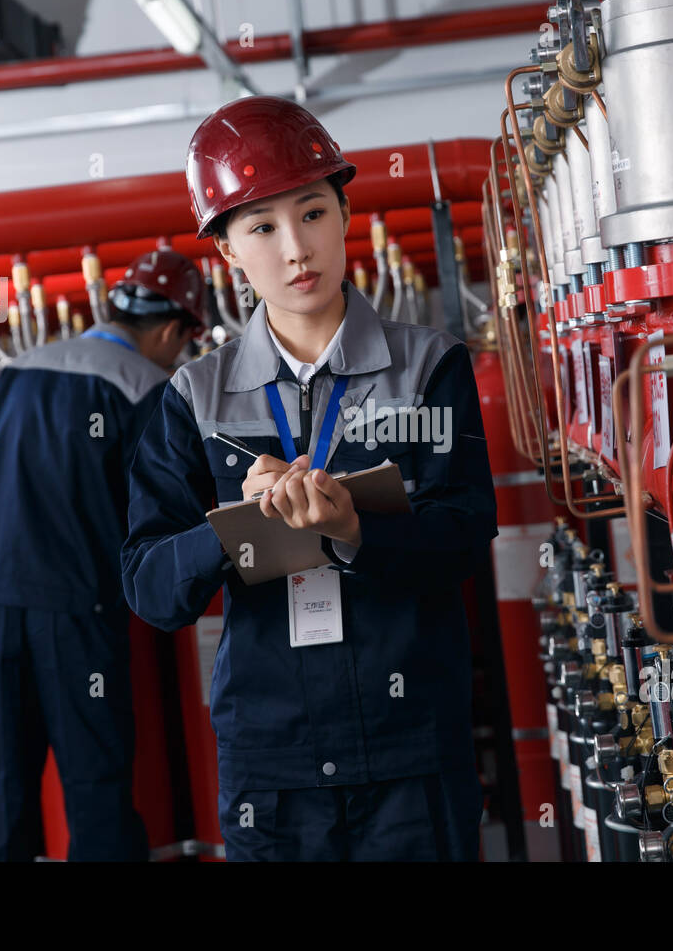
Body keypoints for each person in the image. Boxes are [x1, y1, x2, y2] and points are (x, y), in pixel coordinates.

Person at [121, 96, 498, 861]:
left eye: (313, 212)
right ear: (227, 250)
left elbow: (464, 536)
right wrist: (238, 528)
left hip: (411, 754)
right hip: (275, 768)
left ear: (346, 210)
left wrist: (355, 532)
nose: (297, 249)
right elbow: (151, 588)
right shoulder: (194, 400)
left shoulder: (430, 368)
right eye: (261, 227)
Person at [0, 248, 205, 861]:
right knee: (96, 785)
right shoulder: (145, 388)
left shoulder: (19, 369)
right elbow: (161, 512)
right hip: (76, 609)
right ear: (174, 330)